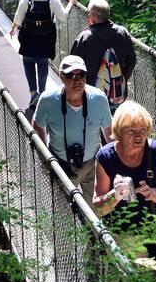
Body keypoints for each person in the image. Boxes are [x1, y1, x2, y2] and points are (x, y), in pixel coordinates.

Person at [91, 101, 156, 270]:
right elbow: (99, 208)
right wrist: (116, 194)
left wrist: (153, 193)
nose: (138, 136)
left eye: (142, 130)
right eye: (131, 131)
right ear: (119, 132)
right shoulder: (106, 157)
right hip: (123, 233)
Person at [32, 55, 112, 204]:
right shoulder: (48, 100)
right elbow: (37, 125)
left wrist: (117, 161)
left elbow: (110, 132)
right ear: (62, 77)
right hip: (62, 165)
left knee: (96, 209)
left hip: (92, 163)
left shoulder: (99, 99)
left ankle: (92, 228)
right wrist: (45, 156)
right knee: (63, 209)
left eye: (81, 75)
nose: (77, 80)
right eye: (71, 76)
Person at [9, 0, 79, 104]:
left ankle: (33, 94)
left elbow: (18, 17)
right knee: (42, 65)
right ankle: (41, 93)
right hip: (45, 40)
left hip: (28, 39)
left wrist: (12, 29)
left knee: (28, 63)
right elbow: (63, 16)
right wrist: (71, 1)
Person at [70, 0, 136, 111]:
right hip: (116, 94)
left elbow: (72, 65)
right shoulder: (122, 32)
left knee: (93, 125)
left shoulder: (85, 37)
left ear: (92, 16)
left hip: (91, 96)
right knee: (112, 125)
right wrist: (122, 77)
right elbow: (132, 60)